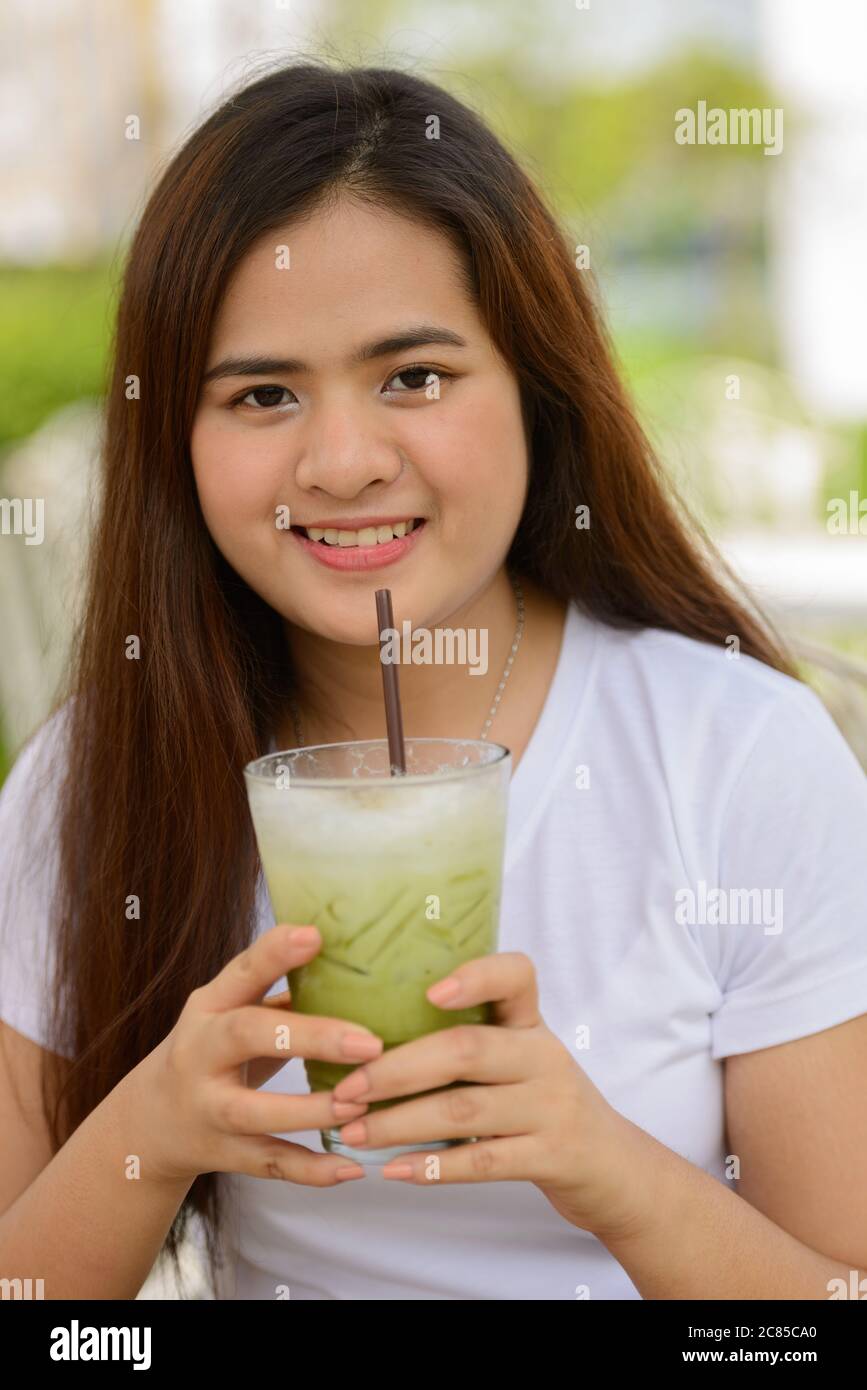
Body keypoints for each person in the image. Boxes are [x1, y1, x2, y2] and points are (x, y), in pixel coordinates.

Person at [1, 59, 865, 1302]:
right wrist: (148, 1138)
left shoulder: (736, 757)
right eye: (262, 393)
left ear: (538, 390)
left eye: (415, 376)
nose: (344, 461)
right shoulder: (100, 779)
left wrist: (607, 1168)